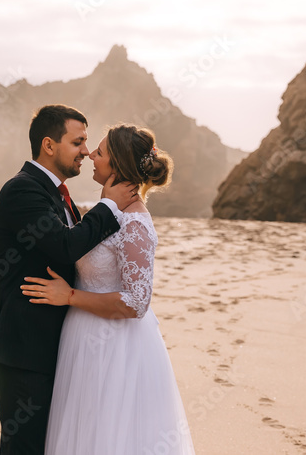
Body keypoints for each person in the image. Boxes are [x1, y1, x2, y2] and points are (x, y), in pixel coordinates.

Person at [21, 124, 196, 454]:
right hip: (80, 338)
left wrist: (69, 296)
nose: (91, 156)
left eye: (99, 152)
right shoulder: (105, 212)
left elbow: (136, 302)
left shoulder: (135, 224)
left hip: (116, 348)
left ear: (117, 164)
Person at [0, 105, 140, 454]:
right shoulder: (23, 191)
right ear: (49, 145)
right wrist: (110, 206)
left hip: (55, 350)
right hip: (23, 350)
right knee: (24, 448)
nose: (86, 150)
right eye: (78, 141)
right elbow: (64, 247)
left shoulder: (60, 197)